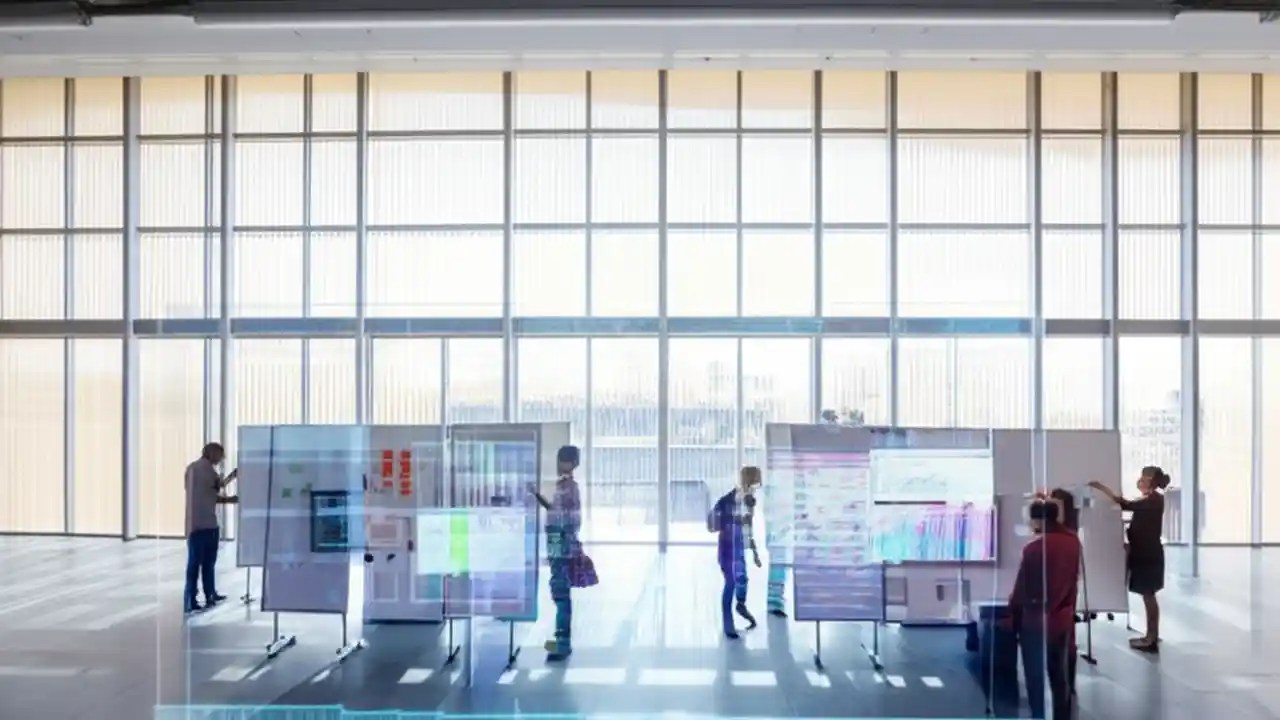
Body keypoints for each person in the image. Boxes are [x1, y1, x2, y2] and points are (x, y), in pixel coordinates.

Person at [1008, 494, 1081, 720]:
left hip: (1036, 620)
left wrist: (1013, 615)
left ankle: (1038, 715)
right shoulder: (1073, 542)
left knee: (1035, 677)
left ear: (1038, 521)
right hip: (1064, 619)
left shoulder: (1033, 549)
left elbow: (1022, 589)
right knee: (1060, 677)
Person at [1090, 466, 1169, 652]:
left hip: (1148, 554)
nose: (1140, 481)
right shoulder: (1150, 500)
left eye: (1144, 478)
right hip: (1144, 552)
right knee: (1148, 594)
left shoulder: (1154, 500)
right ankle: (1151, 635)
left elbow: (1124, 504)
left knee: (1148, 594)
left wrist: (1102, 488)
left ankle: (1151, 637)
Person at [533, 445, 583, 661]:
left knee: (561, 591)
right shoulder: (561, 486)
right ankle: (561, 638)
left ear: (573, 464)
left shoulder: (571, 487)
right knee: (558, 589)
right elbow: (554, 510)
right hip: (557, 540)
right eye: (560, 460)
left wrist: (566, 540)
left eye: (565, 460)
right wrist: (537, 495)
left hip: (561, 541)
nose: (561, 464)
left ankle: (563, 642)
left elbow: (572, 518)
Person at [184, 442, 238, 614]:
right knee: (206, 563)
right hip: (206, 524)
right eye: (221, 455)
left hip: (194, 524)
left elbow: (209, 493)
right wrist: (232, 496)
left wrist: (230, 479)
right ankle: (206, 595)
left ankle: (194, 597)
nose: (222, 459)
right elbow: (216, 491)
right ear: (212, 453)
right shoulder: (207, 471)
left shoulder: (192, 468)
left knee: (196, 563)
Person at [708, 466, 762, 639]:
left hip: (738, 551)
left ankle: (741, 605)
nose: (754, 491)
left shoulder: (748, 502)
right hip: (727, 551)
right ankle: (728, 626)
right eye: (753, 486)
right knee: (730, 584)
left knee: (742, 580)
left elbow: (748, 529)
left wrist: (754, 552)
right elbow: (712, 525)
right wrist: (731, 520)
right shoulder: (727, 502)